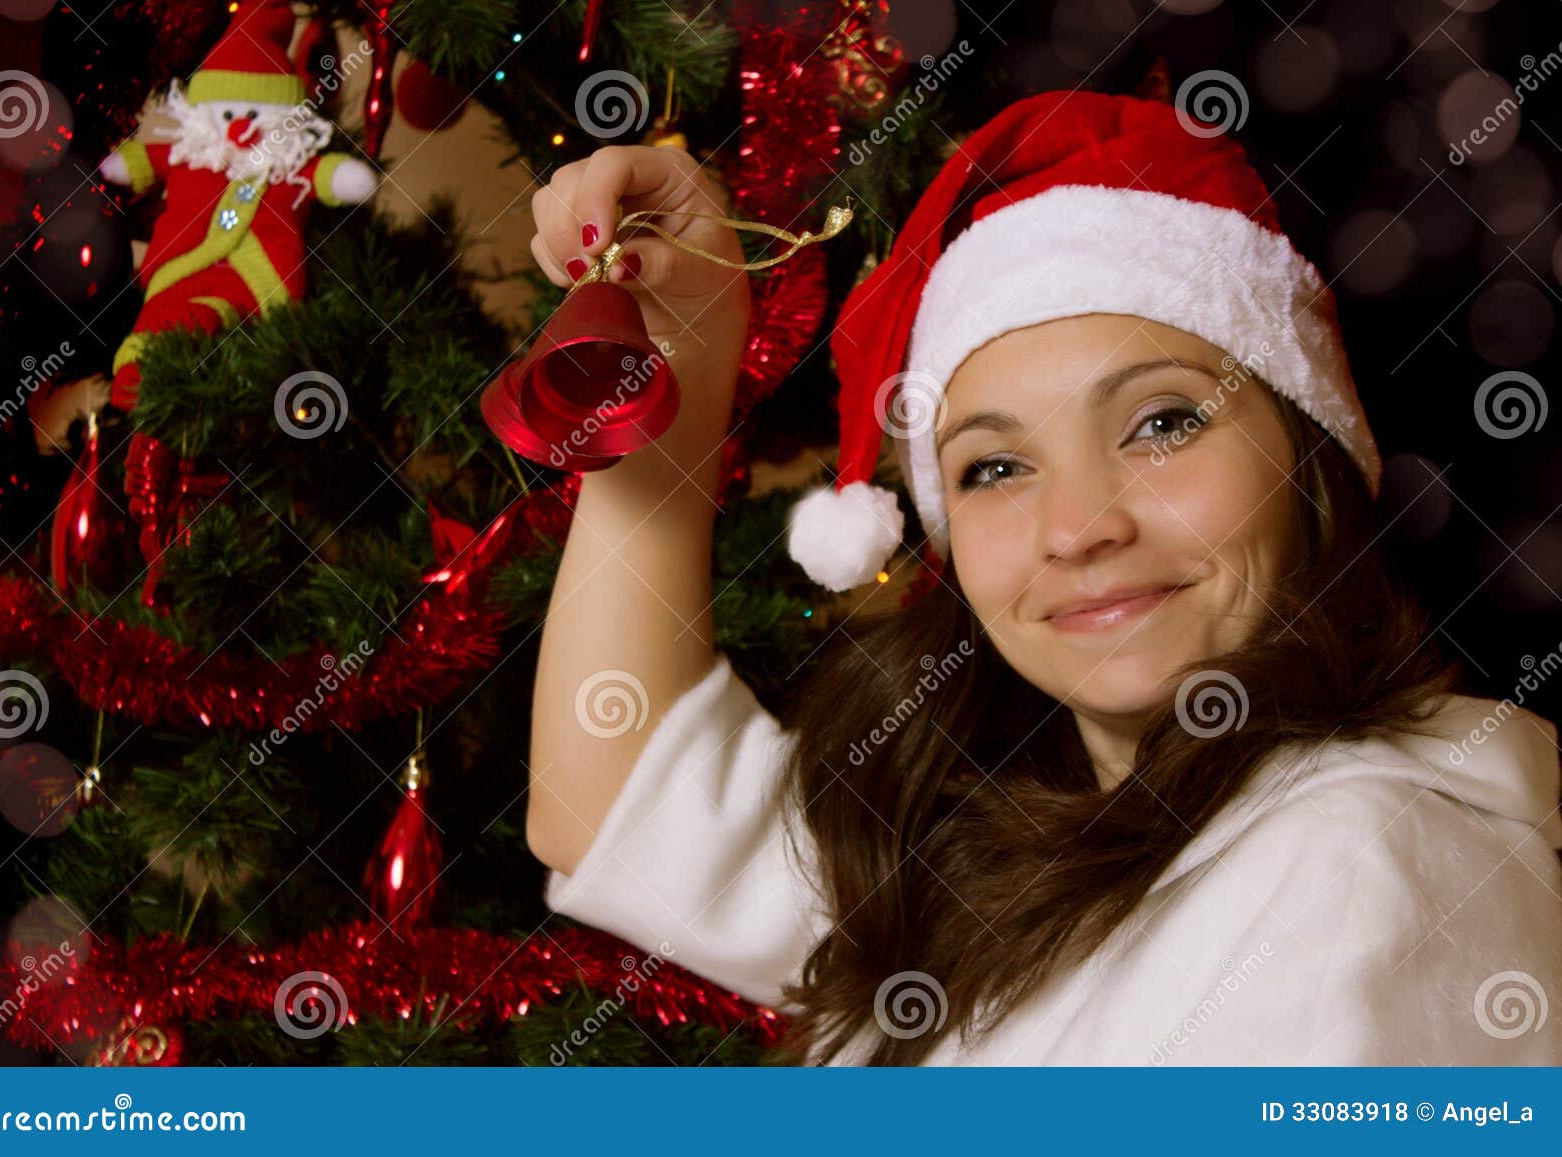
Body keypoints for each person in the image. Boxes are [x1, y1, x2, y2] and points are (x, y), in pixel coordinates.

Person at [523, 90, 1562, 1066]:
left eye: (1163, 423)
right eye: (995, 468)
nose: (1078, 528)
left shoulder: (1358, 865)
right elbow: (607, 796)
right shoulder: (998, 848)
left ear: (1307, 454)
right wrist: (685, 345)